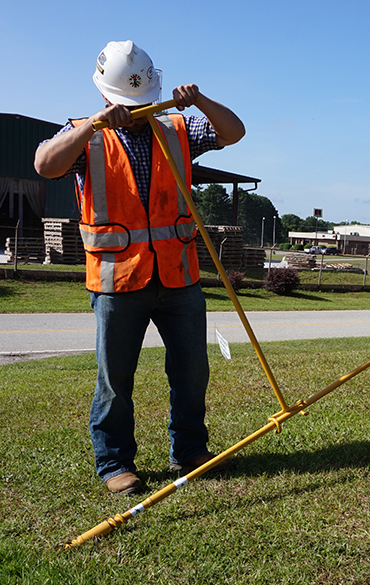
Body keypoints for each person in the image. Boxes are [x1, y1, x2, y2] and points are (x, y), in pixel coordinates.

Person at [34, 40, 245, 495]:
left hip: (178, 276)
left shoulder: (176, 125)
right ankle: (114, 463)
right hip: (117, 280)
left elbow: (234, 132)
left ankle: (189, 450)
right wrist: (91, 126)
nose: (136, 109)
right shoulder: (82, 134)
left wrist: (200, 101)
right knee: (116, 378)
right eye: (126, 102)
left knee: (191, 370)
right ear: (104, 94)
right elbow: (45, 164)